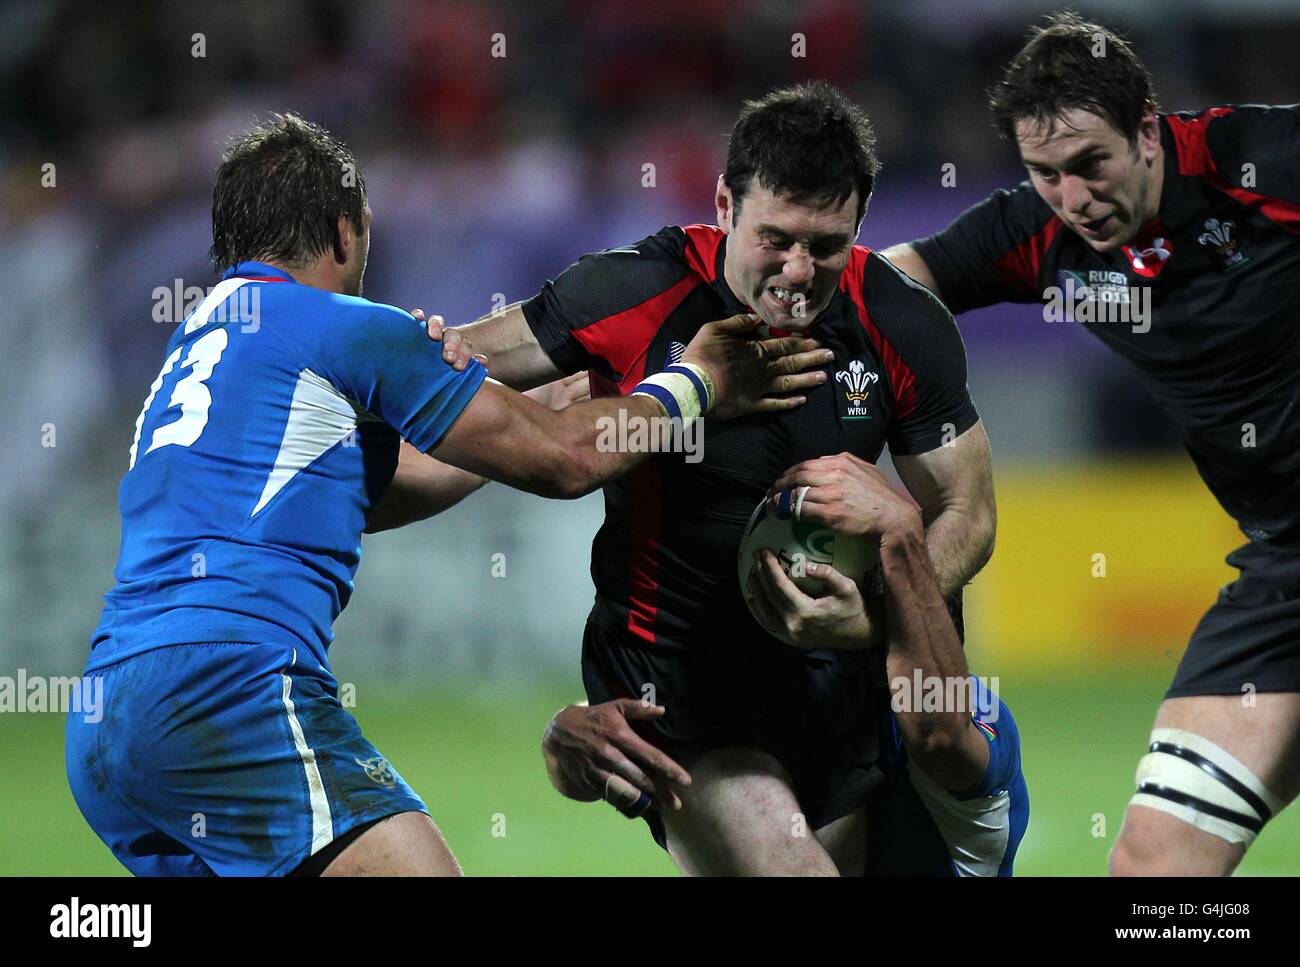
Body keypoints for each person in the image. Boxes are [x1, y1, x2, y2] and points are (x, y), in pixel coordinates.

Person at [64, 113, 828, 877]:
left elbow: (368, 489)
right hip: (226, 688)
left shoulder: (200, 346)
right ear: (344, 231)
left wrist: (550, 412)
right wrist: (699, 383)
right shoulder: (340, 323)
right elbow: (565, 463)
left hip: (108, 723)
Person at [430, 81, 997, 875]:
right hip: (678, 693)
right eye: (777, 238)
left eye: (827, 244)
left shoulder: (901, 322)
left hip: (835, 691)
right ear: (726, 204)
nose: (800, 271)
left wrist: (875, 610)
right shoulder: (632, 289)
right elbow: (454, 361)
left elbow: (967, 509)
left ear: (861, 224)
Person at [880, 12, 1300, 875]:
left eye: (1089, 164)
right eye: (1046, 175)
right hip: (1286, 578)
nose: (1073, 198)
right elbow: (892, 283)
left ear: (1148, 130)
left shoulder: (1261, 160)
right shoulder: (1040, 236)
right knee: (1154, 870)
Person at [543, 453, 1029, 876]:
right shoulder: (824, 676)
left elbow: (938, 736)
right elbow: (634, 735)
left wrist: (900, 529)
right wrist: (563, 735)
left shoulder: (974, 722)